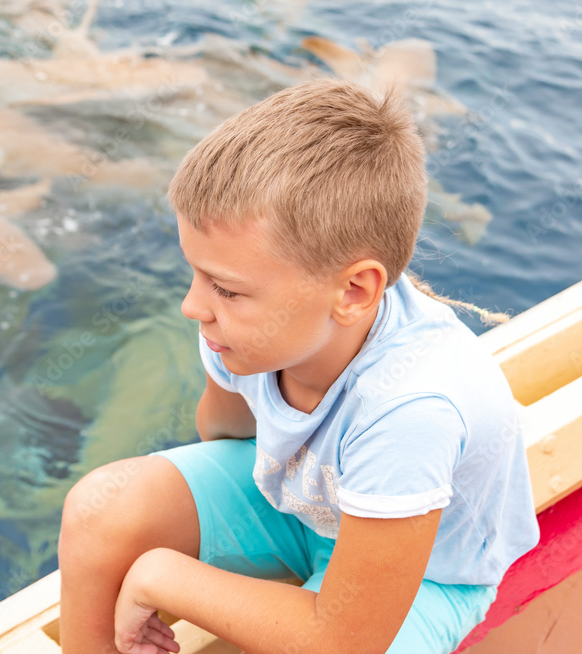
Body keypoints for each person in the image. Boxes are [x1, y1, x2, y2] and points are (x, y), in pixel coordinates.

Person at [57, 78, 539, 654]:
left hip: (428, 571)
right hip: (302, 510)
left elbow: (344, 642)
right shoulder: (251, 330)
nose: (193, 306)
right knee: (99, 512)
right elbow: (226, 432)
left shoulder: (412, 410)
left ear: (355, 291)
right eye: (197, 274)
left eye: (226, 289)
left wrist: (164, 576)